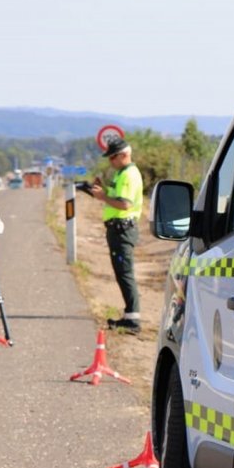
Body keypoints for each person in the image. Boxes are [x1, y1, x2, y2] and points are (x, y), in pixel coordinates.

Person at [88, 137, 143, 333]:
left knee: (125, 273)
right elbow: (118, 196)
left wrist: (103, 196)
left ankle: (133, 319)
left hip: (122, 229)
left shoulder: (128, 175)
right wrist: (104, 190)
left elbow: (124, 203)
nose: (110, 161)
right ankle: (130, 315)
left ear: (123, 155)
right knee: (122, 273)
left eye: (112, 157)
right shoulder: (123, 174)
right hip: (119, 229)